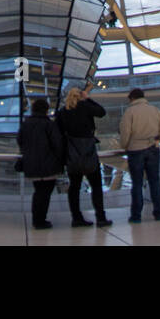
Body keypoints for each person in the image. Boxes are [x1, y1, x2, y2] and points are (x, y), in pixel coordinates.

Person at [55, 87, 112, 227]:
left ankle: (77, 218)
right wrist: (88, 98)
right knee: (96, 186)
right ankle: (101, 217)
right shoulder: (85, 107)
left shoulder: (62, 112)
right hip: (88, 152)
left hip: (72, 154)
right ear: (81, 96)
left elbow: (58, 133)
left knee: (74, 187)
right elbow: (101, 112)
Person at [119, 88, 160, 222]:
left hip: (135, 150)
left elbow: (125, 133)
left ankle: (136, 216)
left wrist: (124, 146)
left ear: (132, 98)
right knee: (154, 182)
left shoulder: (129, 112)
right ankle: (159, 213)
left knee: (137, 183)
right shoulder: (154, 110)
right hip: (153, 148)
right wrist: (158, 139)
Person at [16, 97, 65, 229]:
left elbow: (20, 140)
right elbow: (57, 144)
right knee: (45, 193)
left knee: (38, 192)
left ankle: (37, 219)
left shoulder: (26, 123)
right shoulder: (49, 124)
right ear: (46, 110)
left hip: (31, 164)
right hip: (49, 165)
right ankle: (40, 220)